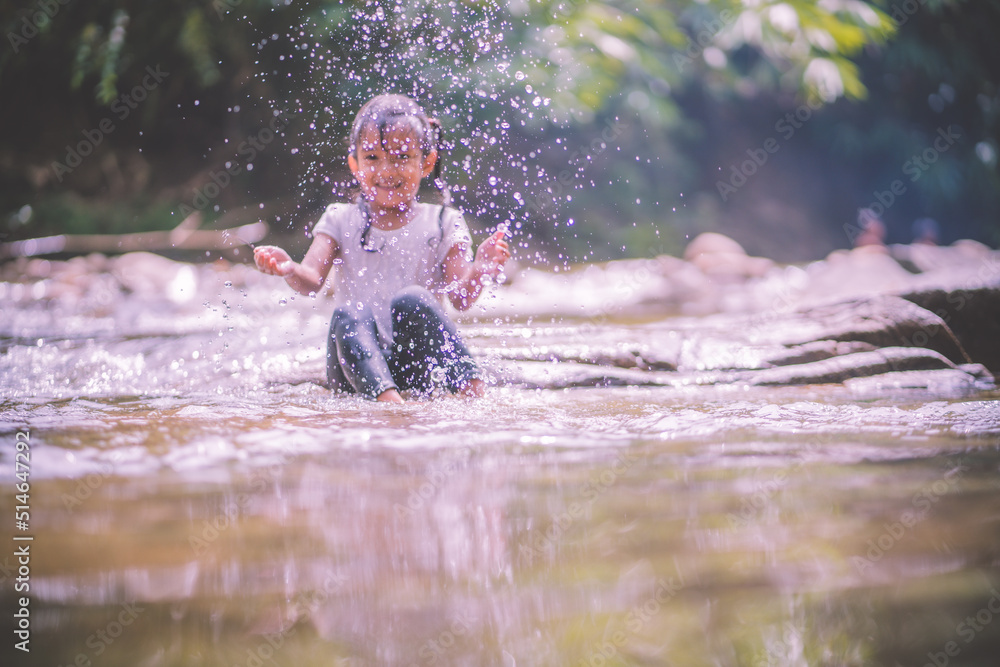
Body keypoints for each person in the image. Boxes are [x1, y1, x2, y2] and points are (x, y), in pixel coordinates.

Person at [253, 94, 511, 402]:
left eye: (402, 158)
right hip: (355, 370)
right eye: (372, 158)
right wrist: (289, 268)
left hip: (418, 368)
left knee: (413, 299)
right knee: (349, 312)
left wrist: (481, 268)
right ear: (355, 165)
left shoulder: (444, 221)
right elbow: (310, 281)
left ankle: (473, 390)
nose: (386, 171)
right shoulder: (340, 218)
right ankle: (388, 404)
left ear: (426, 162)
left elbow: (461, 298)